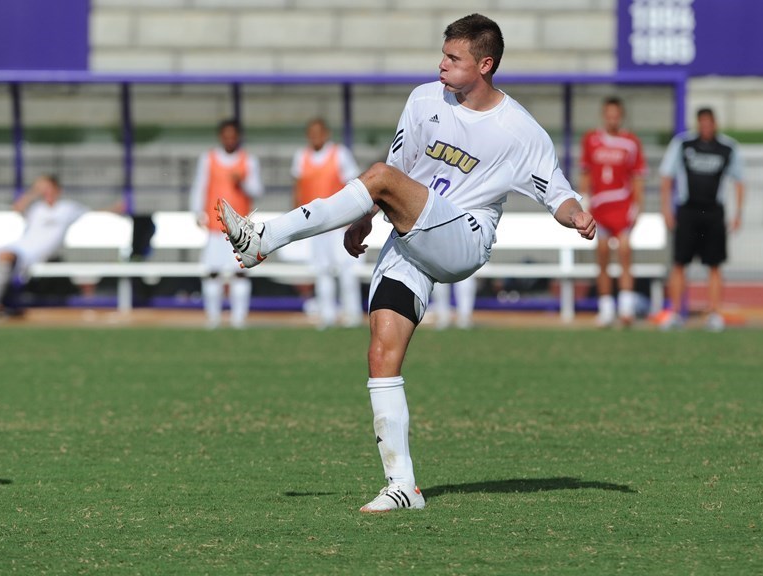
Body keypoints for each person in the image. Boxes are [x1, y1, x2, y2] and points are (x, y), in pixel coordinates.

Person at [217, 14, 595, 512]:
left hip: (463, 236)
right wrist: (363, 217)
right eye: (442, 54)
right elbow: (399, 172)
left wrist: (577, 217)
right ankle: (403, 486)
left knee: (375, 175)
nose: (441, 64)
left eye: (453, 58)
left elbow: (557, 192)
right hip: (410, 235)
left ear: (485, 65)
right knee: (382, 352)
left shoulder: (519, 130)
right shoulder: (423, 101)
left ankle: (264, 237)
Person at [658, 108, 745, 332]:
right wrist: (666, 210)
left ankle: (714, 313)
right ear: (698, 124)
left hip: (713, 212)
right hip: (688, 210)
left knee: (714, 264)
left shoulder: (727, 147)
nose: (706, 126)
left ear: (715, 123)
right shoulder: (683, 144)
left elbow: (740, 181)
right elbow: (667, 176)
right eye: (702, 122)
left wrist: (738, 214)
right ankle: (676, 313)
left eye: (710, 122)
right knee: (680, 262)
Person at [579, 96, 647, 327]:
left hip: (622, 205)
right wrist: (584, 200)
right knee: (603, 255)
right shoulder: (592, 140)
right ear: (603, 115)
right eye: (609, 113)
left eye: (616, 114)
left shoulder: (631, 142)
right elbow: (586, 172)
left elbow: (637, 177)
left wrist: (638, 207)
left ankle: (626, 308)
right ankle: (606, 308)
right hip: (600, 206)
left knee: (626, 253)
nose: (612, 118)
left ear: (622, 116)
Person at [189, 119, 263, 329]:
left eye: (233, 135)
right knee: (213, 271)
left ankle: (239, 319)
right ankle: (213, 318)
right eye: (226, 135)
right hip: (215, 225)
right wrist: (196, 211)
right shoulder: (209, 158)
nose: (229, 139)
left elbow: (257, 190)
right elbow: (200, 185)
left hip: (240, 228)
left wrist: (243, 183)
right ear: (220, 136)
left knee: (240, 272)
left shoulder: (248, 161)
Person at [291, 118, 363, 328]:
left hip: (339, 224)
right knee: (322, 272)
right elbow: (297, 189)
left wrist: (352, 217)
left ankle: (352, 315)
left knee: (346, 270)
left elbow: (353, 184)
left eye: (319, 132)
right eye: (311, 132)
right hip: (315, 226)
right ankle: (327, 315)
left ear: (327, 133)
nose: (315, 136)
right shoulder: (301, 157)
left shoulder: (340, 154)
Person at [0, 175, 88, 316]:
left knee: (4, 256)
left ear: (58, 190)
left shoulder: (68, 208)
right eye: (44, 189)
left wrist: (120, 207)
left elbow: (96, 214)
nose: (46, 192)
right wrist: (34, 192)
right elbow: (18, 208)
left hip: (37, 253)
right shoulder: (37, 208)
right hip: (21, 247)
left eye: (49, 188)